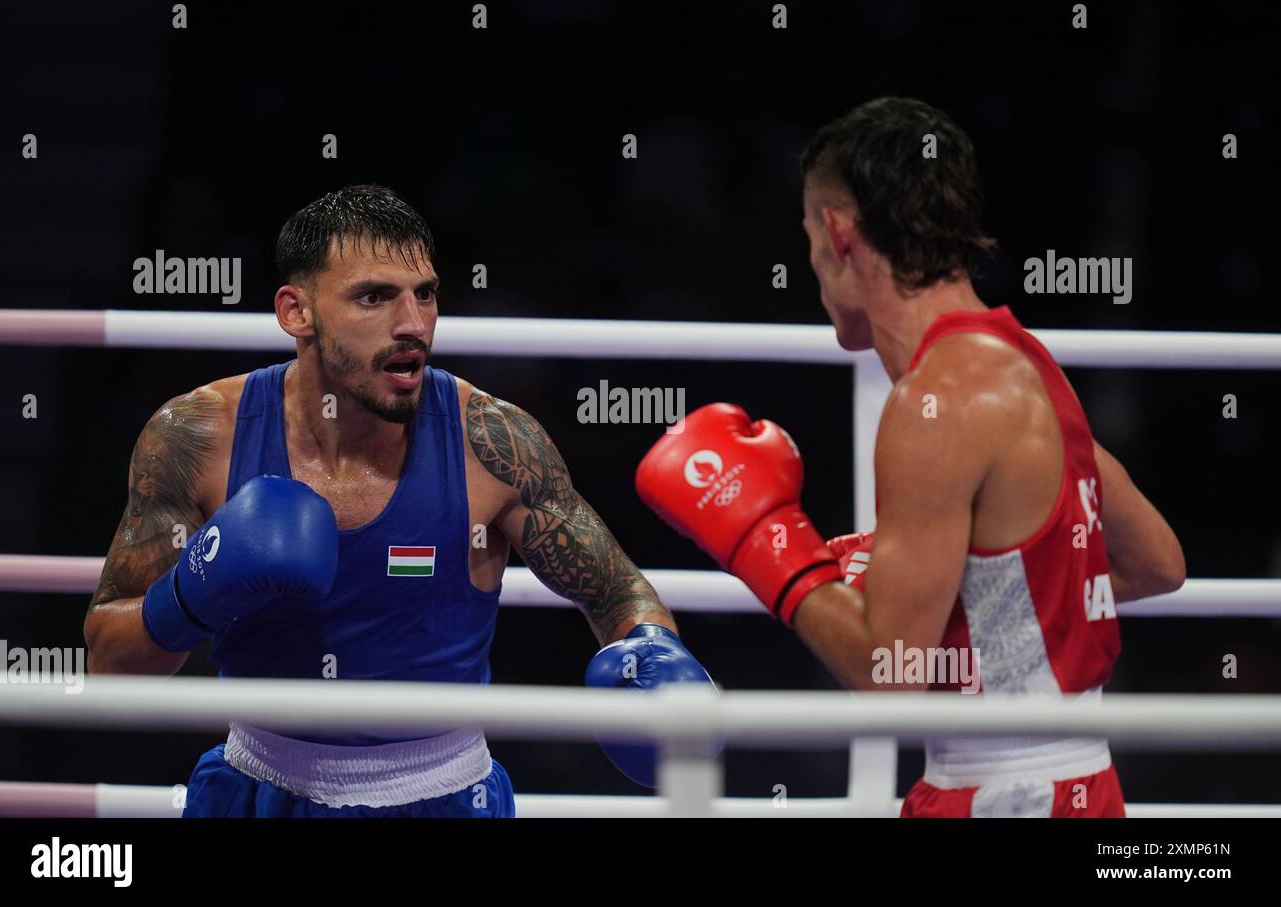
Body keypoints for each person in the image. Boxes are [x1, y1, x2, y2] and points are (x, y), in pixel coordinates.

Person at [84, 184, 712, 817]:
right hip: (258, 786)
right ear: (296, 312)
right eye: (374, 297)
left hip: (442, 795)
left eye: (426, 294)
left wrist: (656, 655)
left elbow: (615, 592)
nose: (413, 325)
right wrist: (194, 591)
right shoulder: (199, 437)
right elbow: (109, 664)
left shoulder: (490, 442)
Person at [635, 98, 1185, 818]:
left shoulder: (935, 404)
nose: (810, 266)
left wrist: (769, 546)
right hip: (1078, 786)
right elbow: (1157, 562)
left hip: (1000, 796)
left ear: (839, 234)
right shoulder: (1025, 362)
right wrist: (971, 596)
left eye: (807, 238)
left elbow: (886, 672)